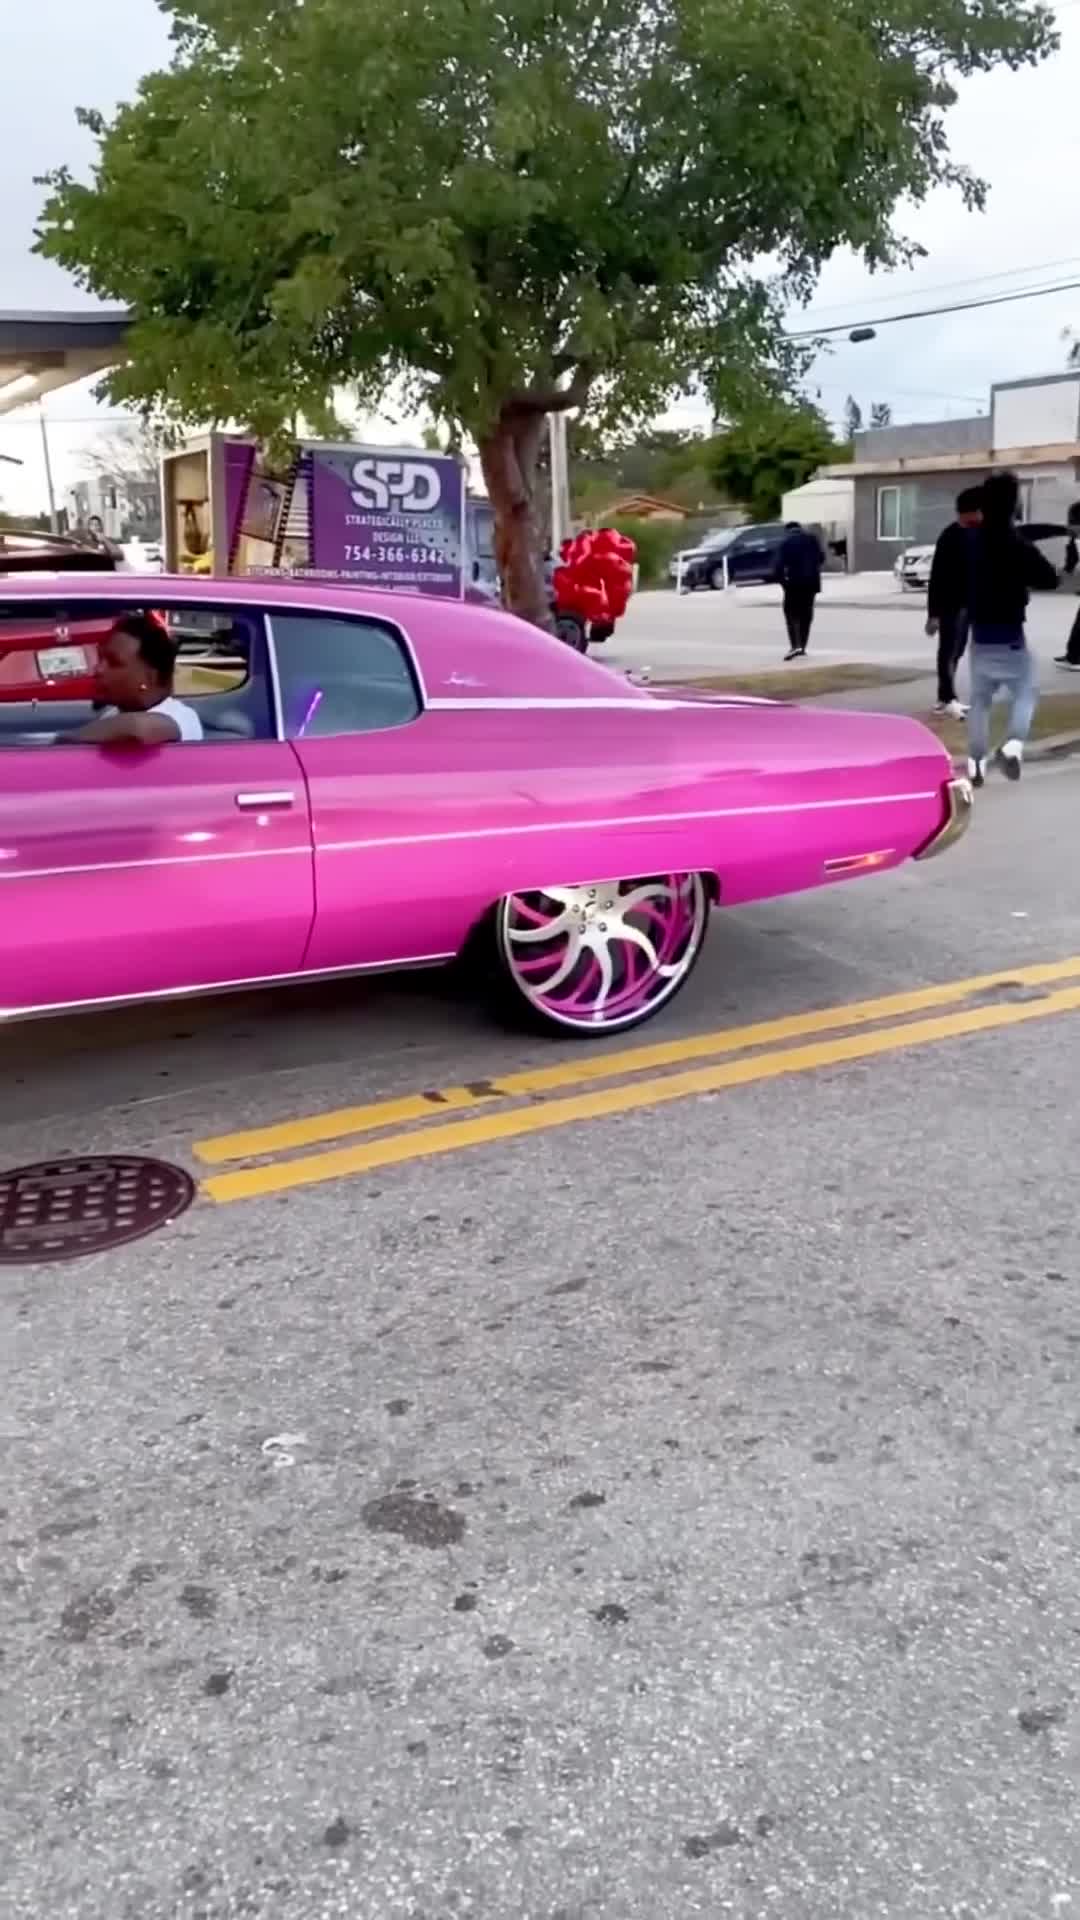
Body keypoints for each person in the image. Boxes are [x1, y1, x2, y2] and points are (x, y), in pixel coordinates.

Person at [965, 471, 1057, 787]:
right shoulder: (1018, 545)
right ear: (1014, 505)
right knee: (1026, 691)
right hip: (1011, 637)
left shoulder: (971, 541)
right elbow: (1049, 578)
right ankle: (1012, 745)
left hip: (979, 636)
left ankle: (976, 763)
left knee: (980, 701)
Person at [65, 613, 203, 745]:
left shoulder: (182, 717)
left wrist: (62, 740)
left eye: (114, 662)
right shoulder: (113, 715)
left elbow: (139, 728)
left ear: (150, 677)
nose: (98, 669)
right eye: (100, 658)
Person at [926, 485, 983, 717]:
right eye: (980, 511)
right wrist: (933, 614)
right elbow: (937, 576)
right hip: (950, 605)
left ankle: (945, 697)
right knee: (948, 651)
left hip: (969, 603)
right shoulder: (949, 536)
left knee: (957, 651)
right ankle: (947, 698)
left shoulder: (977, 533)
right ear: (970, 512)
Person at [778, 521, 823, 661]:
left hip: (793, 584)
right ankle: (802, 646)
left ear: (787, 530)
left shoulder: (785, 543)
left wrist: (783, 583)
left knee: (791, 614)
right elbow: (821, 558)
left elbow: (778, 566)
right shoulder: (812, 539)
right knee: (806, 615)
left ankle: (795, 645)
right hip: (811, 584)